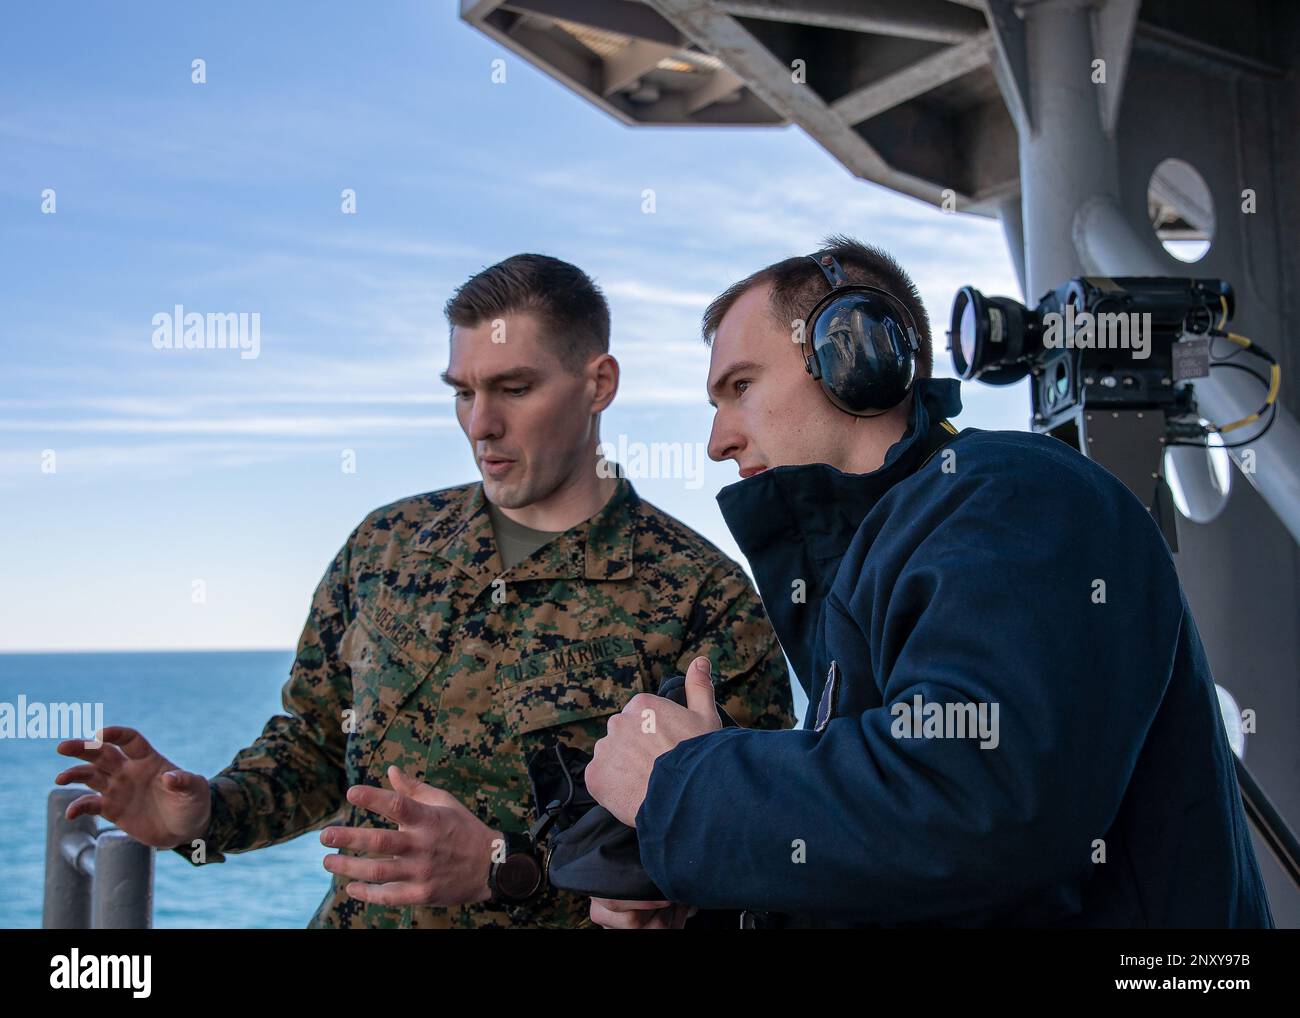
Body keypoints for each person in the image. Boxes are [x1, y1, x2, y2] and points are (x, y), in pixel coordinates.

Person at [55, 253, 793, 929]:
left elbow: (731, 870)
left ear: (599, 384)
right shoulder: (385, 545)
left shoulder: (706, 600)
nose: (482, 424)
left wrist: (509, 872)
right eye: (463, 392)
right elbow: (316, 746)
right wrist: (206, 813)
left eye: (514, 388)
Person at [584, 235, 1274, 929]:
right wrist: (712, 895)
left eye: (740, 387)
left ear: (851, 355)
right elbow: (894, 874)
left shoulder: (1013, 495)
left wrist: (681, 789)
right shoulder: (884, 558)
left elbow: (974, 801)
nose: (716, 441)